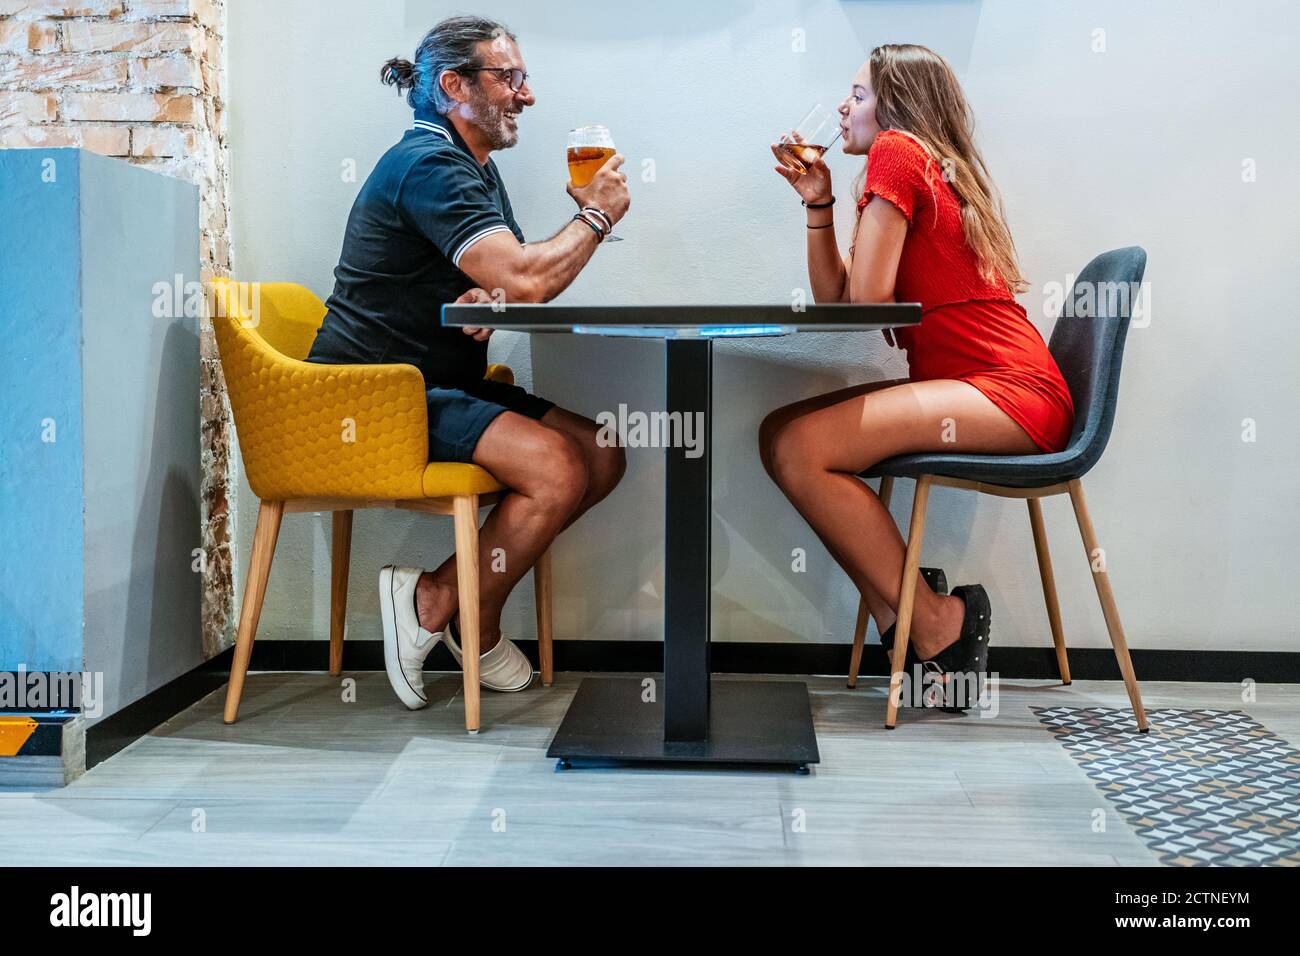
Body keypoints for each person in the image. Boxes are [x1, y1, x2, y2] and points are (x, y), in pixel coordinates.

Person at [306, 15, 630, 709]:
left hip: (438, 381)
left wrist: (487, 291)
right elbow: (528, 280)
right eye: (510, 78)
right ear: (454, 85)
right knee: (555, 466)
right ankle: (453, 612)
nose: (527, 96)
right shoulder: (430, 163)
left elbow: (499, 277)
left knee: (601, 452)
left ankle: (447, 596)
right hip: (372, 396)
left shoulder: (469, 164)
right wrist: (595, 218)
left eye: (524, 78)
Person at [761, 43, 1075, 704]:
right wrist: (819, 204)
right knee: (780, 433)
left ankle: (937, 627)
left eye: (859, 95)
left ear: (897, 106)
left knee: (799, 447)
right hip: (981, 386)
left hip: (1008, 390)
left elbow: (862, 305)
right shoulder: (914, 160)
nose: (844, 108)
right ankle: (912, 626)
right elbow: (840, 306)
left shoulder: (898, 152)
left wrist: (845, 226)